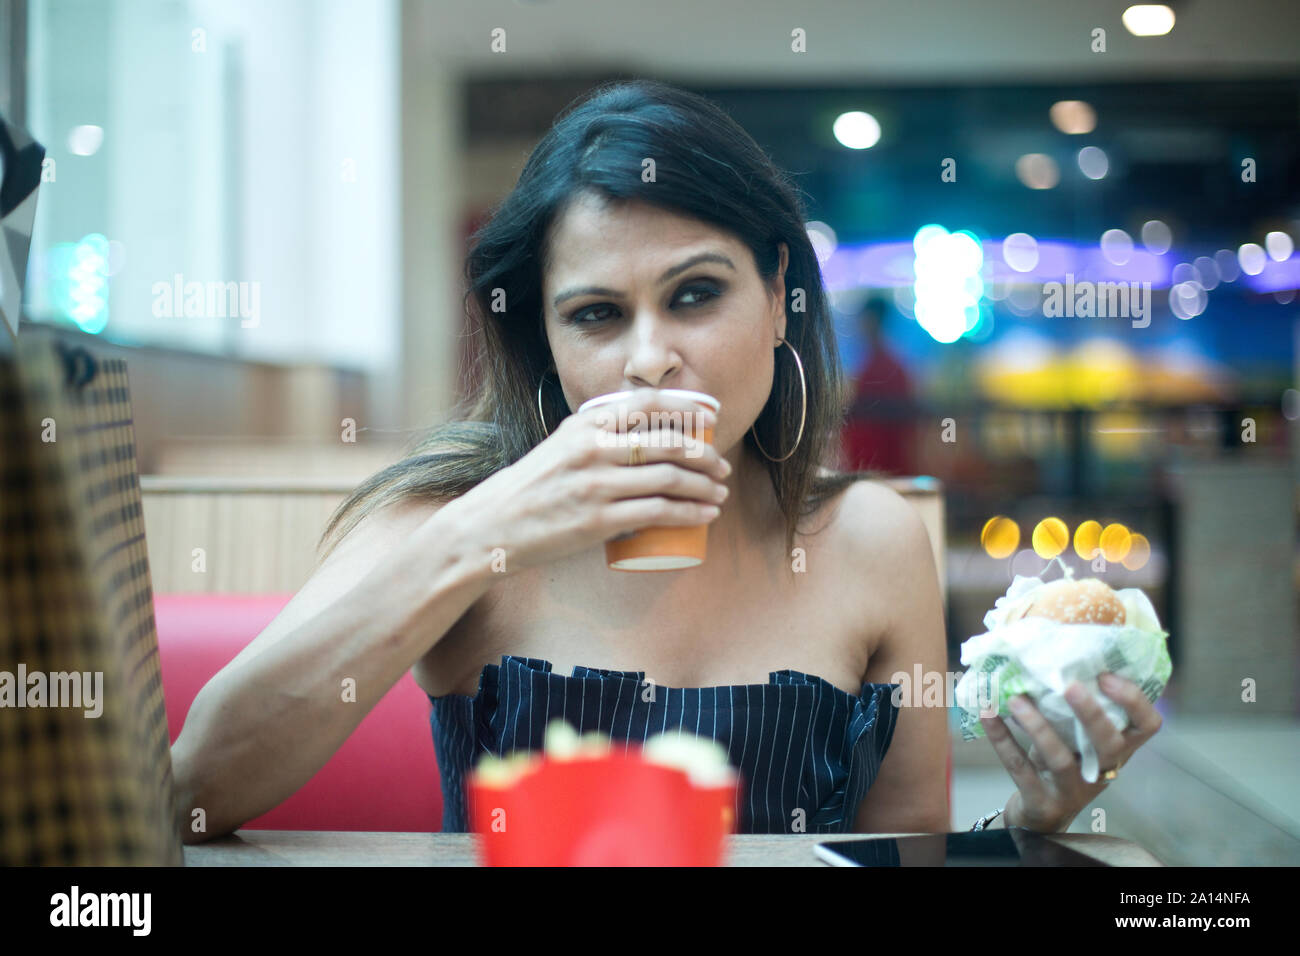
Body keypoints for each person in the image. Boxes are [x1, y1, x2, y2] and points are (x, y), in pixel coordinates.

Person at [171, 79, 1162, 841]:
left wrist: (1035, 822)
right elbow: (192, 792)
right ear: (547, 344)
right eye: (597, 315)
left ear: (778, 296)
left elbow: (909, 852)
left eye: (694, 294)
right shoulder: (455, 511)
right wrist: (483, 531)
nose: (649, 357)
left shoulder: (870, 538)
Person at [842, 297, 915, 476]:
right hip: (877, 463)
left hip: (878, 464)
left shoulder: (887, 367)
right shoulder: (888, 365)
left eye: (865, 321)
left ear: (873, 321)